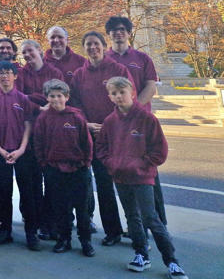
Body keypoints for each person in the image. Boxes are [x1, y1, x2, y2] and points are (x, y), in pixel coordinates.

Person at [96, 77, 188, 279]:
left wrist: (140, 164)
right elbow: (101, 148)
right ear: (110, 97)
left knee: (151, 218)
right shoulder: (110, 122)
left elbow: (159, 151)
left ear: (132, 93)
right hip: (120, 178)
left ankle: (172, 261)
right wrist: (112, 163)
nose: (119, 96)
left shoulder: (147, 119)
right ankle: (141, 254)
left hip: (142, 178)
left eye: (122, 92)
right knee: (132, 218)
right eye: (114, 93)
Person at [69, 31, 133, 246]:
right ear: (84, 48)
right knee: (104, 186)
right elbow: (74, 104)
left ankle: (135, 229)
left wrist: (110, 124)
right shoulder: (79, 74)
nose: (92, 47)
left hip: (117, 136)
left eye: (96, 43)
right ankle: (112, 231)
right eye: (88, 44)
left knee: (128, 185)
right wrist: (85, 123)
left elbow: (127, 100)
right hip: (92, 136)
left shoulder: (118, 69)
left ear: (105, 46)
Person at [105, 15, 167, 226]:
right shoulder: (106, 58)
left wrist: (134, 109)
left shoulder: (142, 58)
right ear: (109, 34)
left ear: (129, 32)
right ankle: (134, 227)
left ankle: (158, 224)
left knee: (148, 176)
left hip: (140, 123)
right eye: (113, 30)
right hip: (118, 127)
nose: (118, 32)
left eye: (122, 29)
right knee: (122, 177)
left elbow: (151, 86)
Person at [33, 79, 94, 257]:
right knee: (61, 208)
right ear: (47, 98)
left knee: (81, 209)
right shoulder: (43, 118)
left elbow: (87, 142)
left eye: (59, 96)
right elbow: (38, 143)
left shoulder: (76, 116)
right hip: (54, 170)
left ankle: (85, 241)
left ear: (66, 97)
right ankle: (64, 239)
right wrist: (44, 164)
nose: (56, 99)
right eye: (52, 96)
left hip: (78, 169)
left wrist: (86, 162)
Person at [0, 61, 40, 250]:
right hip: (1, 151)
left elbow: (28, 125)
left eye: (8, 73)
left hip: (22, 152)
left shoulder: (23, 99)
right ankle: (5, 231)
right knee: (2, 193)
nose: (5, 76)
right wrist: (0, 149)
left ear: (15, 76)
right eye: (1, 73)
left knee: (28, 193)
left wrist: (21, 149)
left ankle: (31, 233)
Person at [17, 38, 63, 239]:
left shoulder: (54, 72)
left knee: (52, 181)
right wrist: (38, 103)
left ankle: (51, 224)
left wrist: (31, 98)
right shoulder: (20, 74)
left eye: (30, 51)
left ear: (39, 50)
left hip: (51, 133)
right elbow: (18, 99)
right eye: (24, 53)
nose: (27, 56)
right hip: (27, 133)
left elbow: (59, 97)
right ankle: (33, 223)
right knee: (31, 181)